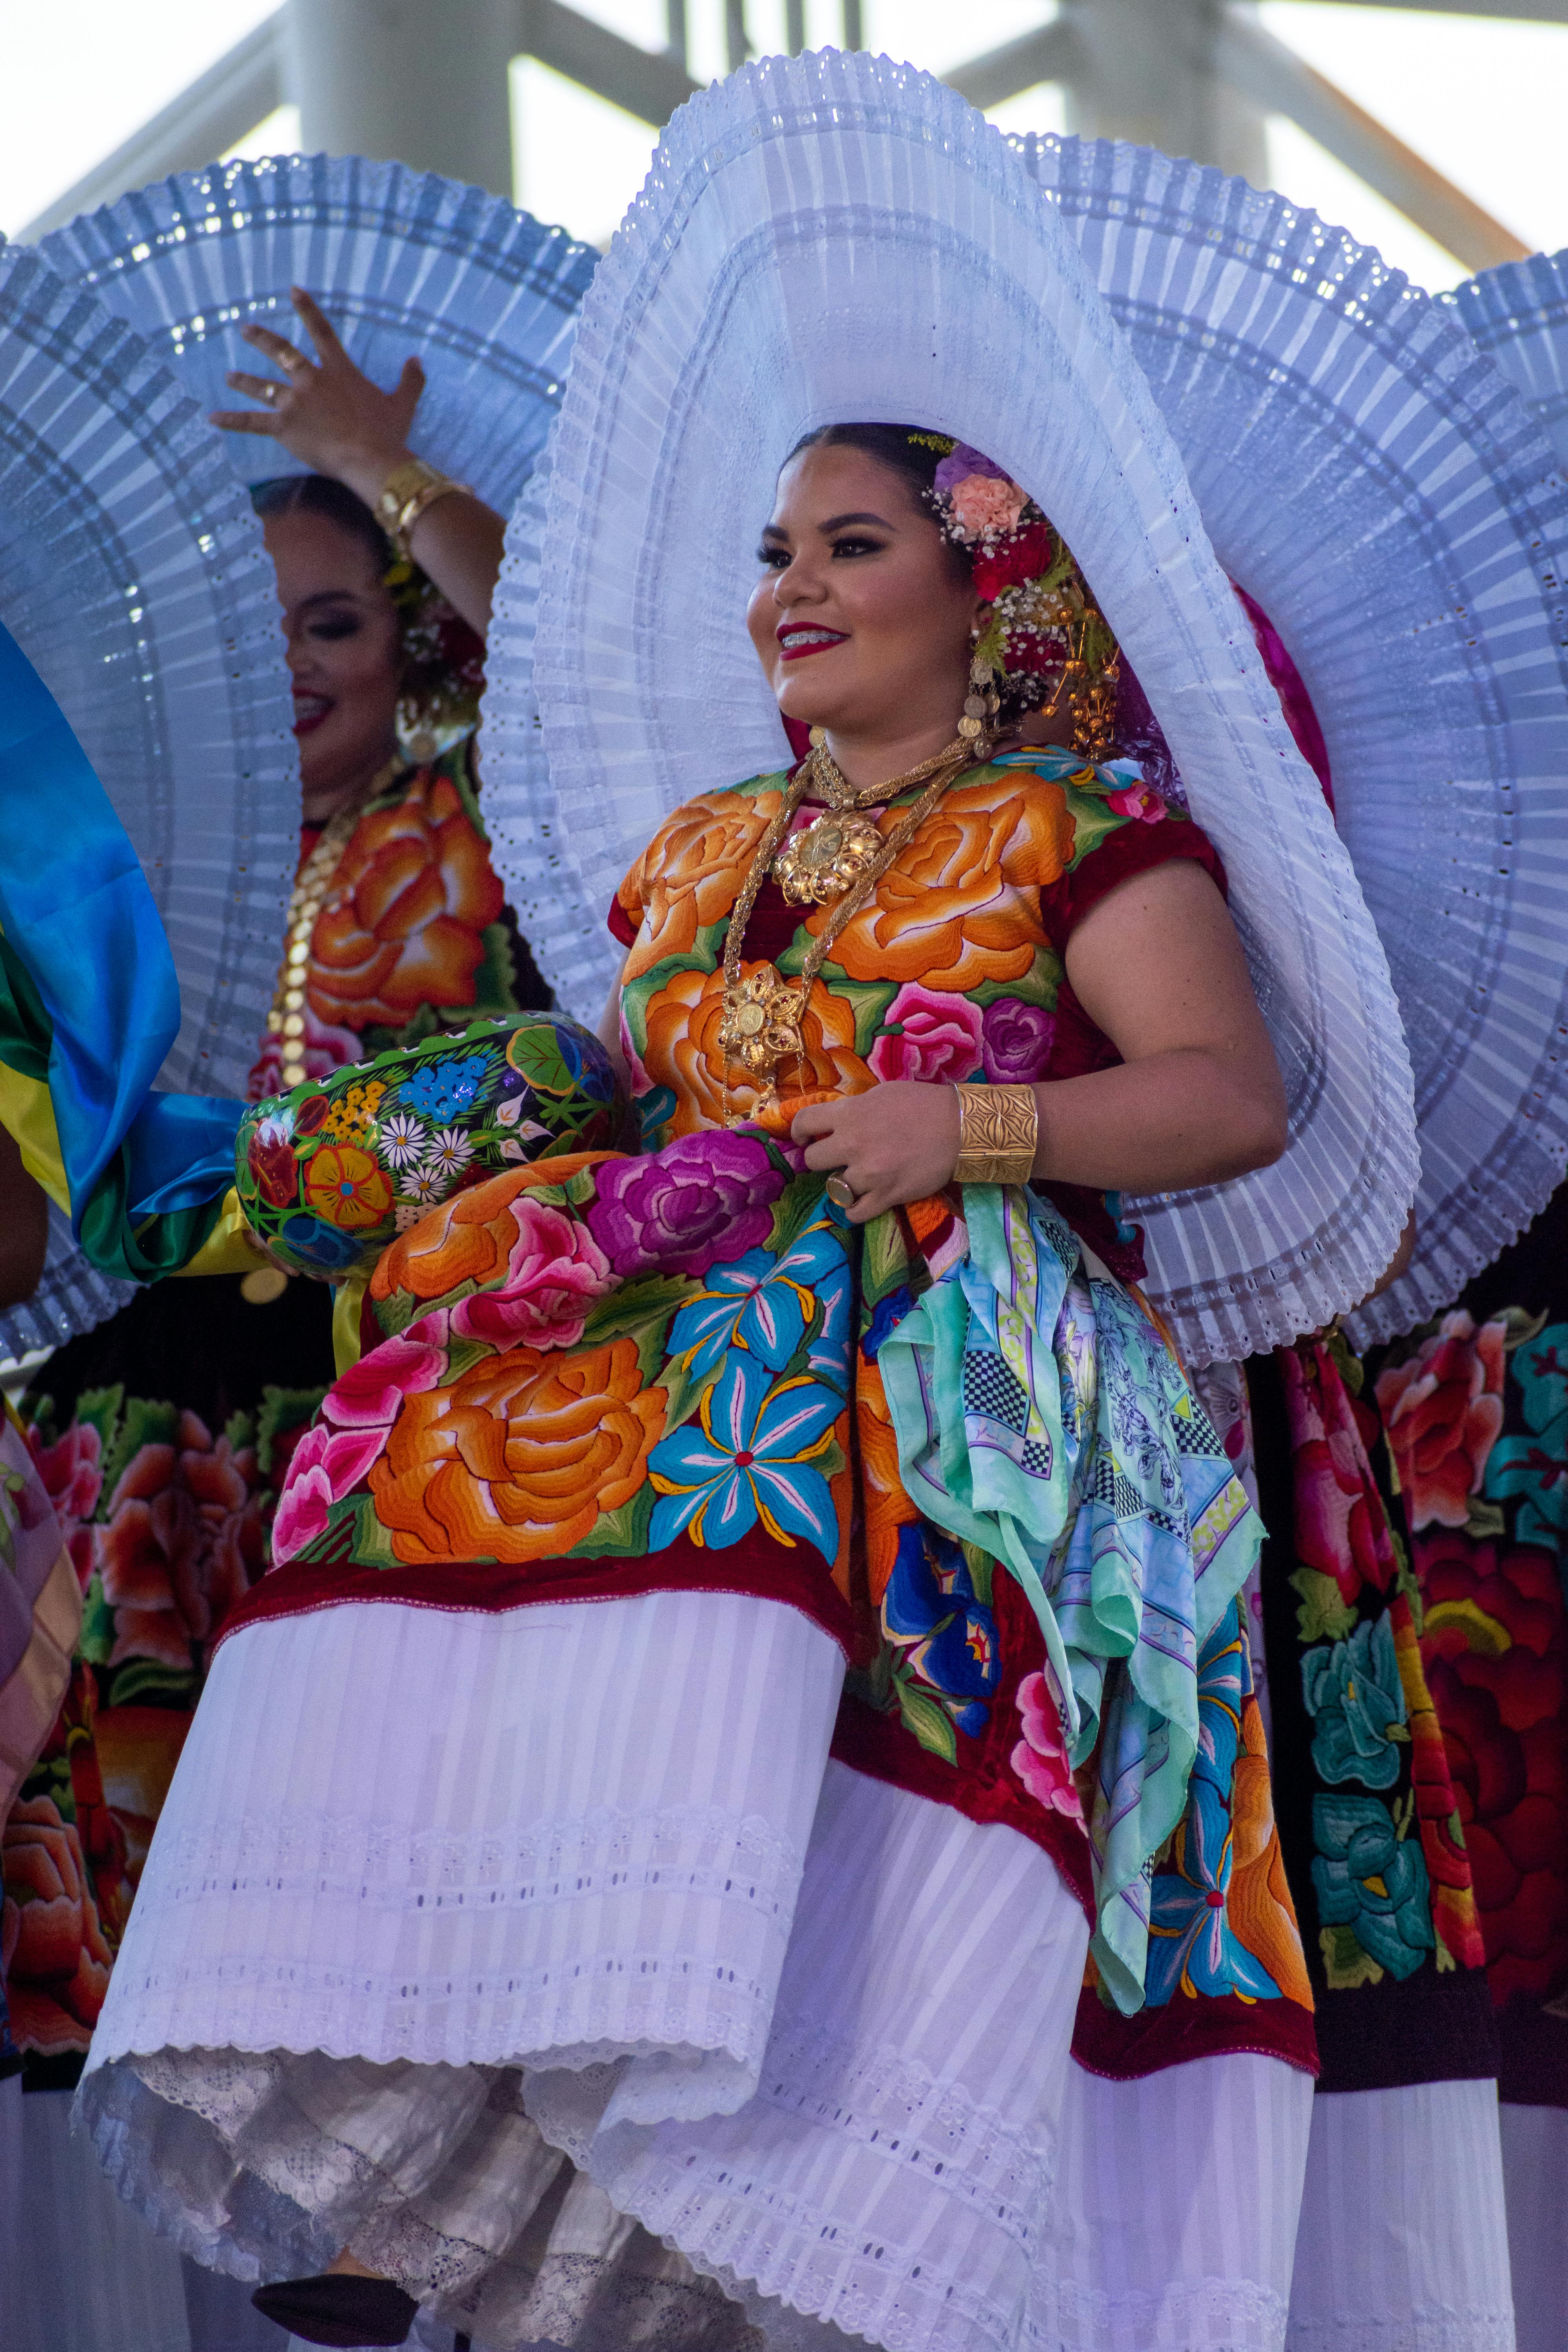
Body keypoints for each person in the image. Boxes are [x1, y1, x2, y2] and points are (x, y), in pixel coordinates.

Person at [0, 292, 548, 2347]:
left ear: (409, 630)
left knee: (393, 1864)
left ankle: (392, 2230)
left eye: (337, 615)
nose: (299, 661)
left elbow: (574, 679)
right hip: (160, 1428)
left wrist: (405, 475)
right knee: (136, 1890)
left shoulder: (498, 809)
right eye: (260, 630)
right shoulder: (139, 871)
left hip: (411, 1399)